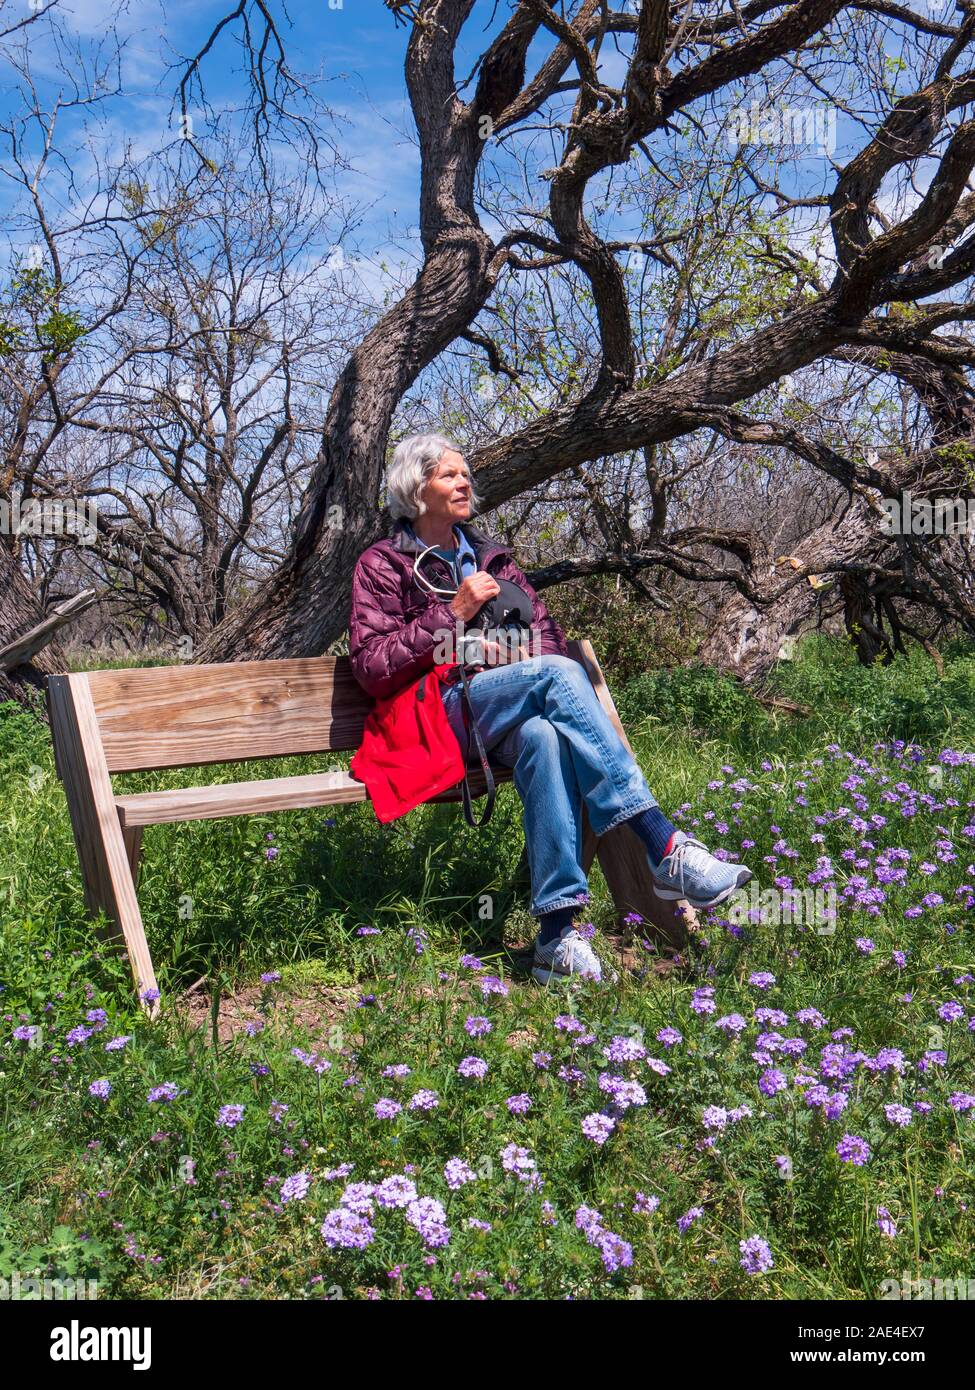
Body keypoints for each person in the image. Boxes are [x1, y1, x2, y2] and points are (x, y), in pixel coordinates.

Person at [348, 433, 753, 983]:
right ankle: (665, 848)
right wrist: (454, 623)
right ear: (416, 490)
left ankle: (554, 938)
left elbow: (548, 640)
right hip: (436, 716)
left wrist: (509, 658)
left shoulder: (492, 557)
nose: (466, 482)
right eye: (449, 475)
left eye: (466, 474)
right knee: (560, 677)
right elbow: (371, 667)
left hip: (506, 703)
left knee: (545, 735)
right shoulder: (383, 564)